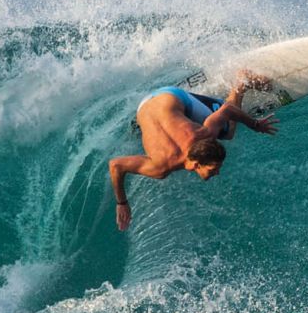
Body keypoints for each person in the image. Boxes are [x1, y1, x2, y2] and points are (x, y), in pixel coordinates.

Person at [109, 71, 277, 230]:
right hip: (157, 100)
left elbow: (227, 110)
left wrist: (255, 124)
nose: (217, 172)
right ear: (197, 164)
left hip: (160, 100)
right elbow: (116, 165)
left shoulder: (204, 134)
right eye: (213, 169)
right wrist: (122, 203)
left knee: (227, 131)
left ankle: (236, 86)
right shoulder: (160, 166)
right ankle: (235, 87)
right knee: (227, 131)